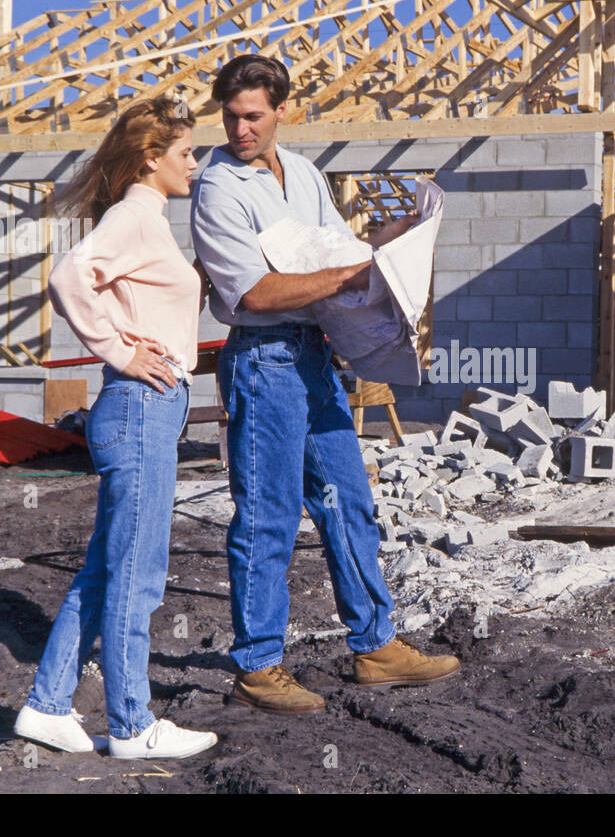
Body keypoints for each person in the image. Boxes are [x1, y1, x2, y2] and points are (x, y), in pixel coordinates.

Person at [191, 55, 459, 715]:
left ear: (283, 110)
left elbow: (341, 253)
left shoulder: (304, 175)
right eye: (231, 116)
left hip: (312, 358)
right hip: (262, 360)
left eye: (253, 115)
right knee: (269, 516)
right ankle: (257, 665)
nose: (241, 127)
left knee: (349, 502)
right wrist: (347, 277)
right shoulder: (217, 187)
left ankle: (376, 645)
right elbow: (253, 291)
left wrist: (399, 236)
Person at [14, 96, 219, 759]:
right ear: (151, 158)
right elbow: (68, 276)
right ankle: (131, 722)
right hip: (138, 405)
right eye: (186, 151)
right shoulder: (135, 216)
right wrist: (118, 348)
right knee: (139, 569)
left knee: (107, 567)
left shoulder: (149, 222)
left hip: (142, 406)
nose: (195, 161)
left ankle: (47, 705)